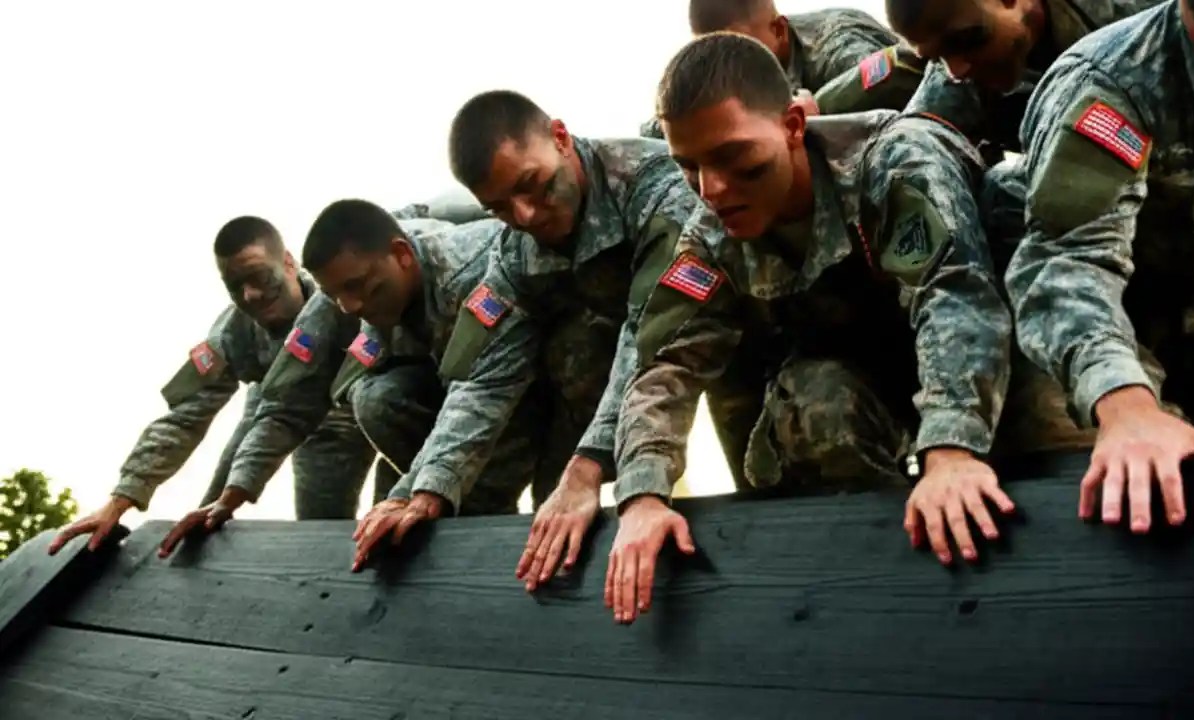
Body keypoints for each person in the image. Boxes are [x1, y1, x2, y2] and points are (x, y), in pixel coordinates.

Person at [606, 32, 1014, 623]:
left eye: (734, 157)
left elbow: (956, 296)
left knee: (1047, 448)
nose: (713, 189)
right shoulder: (711, 232)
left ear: (794, 126)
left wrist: (951, 449)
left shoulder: (894, 160)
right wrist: (643, 496)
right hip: (874, 382)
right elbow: (667, 360)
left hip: (997, 360)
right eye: (688, 166)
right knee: (813, 404)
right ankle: (897, 586)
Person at [348, 90, 708, 592]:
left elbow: (653, 334)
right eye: (498, 207)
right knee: (558, 510)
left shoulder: (654, 188)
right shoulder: (514, 250)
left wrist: (590, 472)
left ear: (560, 138)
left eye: (532, 186)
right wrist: (424, 488)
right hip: (606, 385)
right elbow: (484, 378)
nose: (525, 216)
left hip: (718, 345)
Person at [1003, 0, 1194, 536]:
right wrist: (1125, 405)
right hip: (1088, 328)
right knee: (1108, 487)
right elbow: (1066, 260)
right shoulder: (1110, 80)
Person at [47, 217, 376, 556]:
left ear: (289, 263)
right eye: (235, 285)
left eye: (260, 277)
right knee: (219, 509)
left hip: (353, 402)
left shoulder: (342, 293)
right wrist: (119, 501)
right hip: (278, 409)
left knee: (353, 508)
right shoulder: (233, 334)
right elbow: (184, 418)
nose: (251, 295)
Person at [297, 201, 560, 571]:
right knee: (373, 396)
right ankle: (468, 506)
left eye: (355, 286)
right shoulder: (380, 296)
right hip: (483, 393)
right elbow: (288, 398)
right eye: (335, 296)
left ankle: (493, 510)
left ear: (402, 255)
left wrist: (424, 491)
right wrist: (235, 491)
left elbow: (479, 390)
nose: (349, 306)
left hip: (551, 386)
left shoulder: (469, 275)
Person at [887, 0, 1162, 161]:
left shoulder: (1147, 20)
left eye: (964, 40)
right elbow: (915, 143)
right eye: (937, 57)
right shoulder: (962, 82)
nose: (956, 71)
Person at [639, 0, 922, 138]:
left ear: (778, 30)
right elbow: (664, 125)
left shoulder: (835, 42)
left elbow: (896, 80)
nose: (730, 64)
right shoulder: (723, 67)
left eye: (741, 47)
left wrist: (817, 109)